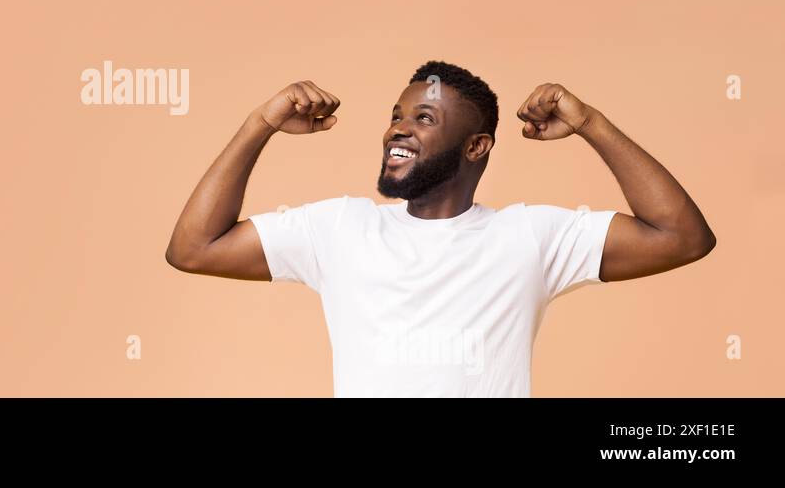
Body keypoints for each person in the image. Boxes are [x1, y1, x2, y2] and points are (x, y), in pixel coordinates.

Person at [164, 60, 716, 397]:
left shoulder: (529, 239)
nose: (397, 129)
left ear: (477, 147)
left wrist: (592, 124)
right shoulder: (340, 229)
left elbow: (682, 237)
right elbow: (194, 248)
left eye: (423, 118)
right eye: (397, 115)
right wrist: (258, 125)